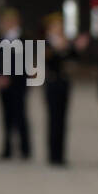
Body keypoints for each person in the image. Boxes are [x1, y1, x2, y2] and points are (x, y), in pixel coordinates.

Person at [0, 8, 31, 160]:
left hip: (18, 84)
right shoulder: (1, 39)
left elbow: (24, 63)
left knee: (20, 116)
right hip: (4, 85)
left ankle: (25, 149)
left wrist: (9, 76)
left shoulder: (23, 39)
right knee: (6, 117)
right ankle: (7, 149)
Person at [42, 13, 75, 166]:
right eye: (55, 26)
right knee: (53, 119)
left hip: (64, 83)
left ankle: (61, 154)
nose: (58, 28)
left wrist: (70, 47)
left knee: (62, 120)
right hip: (52, 83)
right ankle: (53, 154)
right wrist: (58, 49)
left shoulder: (66, 42)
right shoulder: (46, 43)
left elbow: (74, 57)